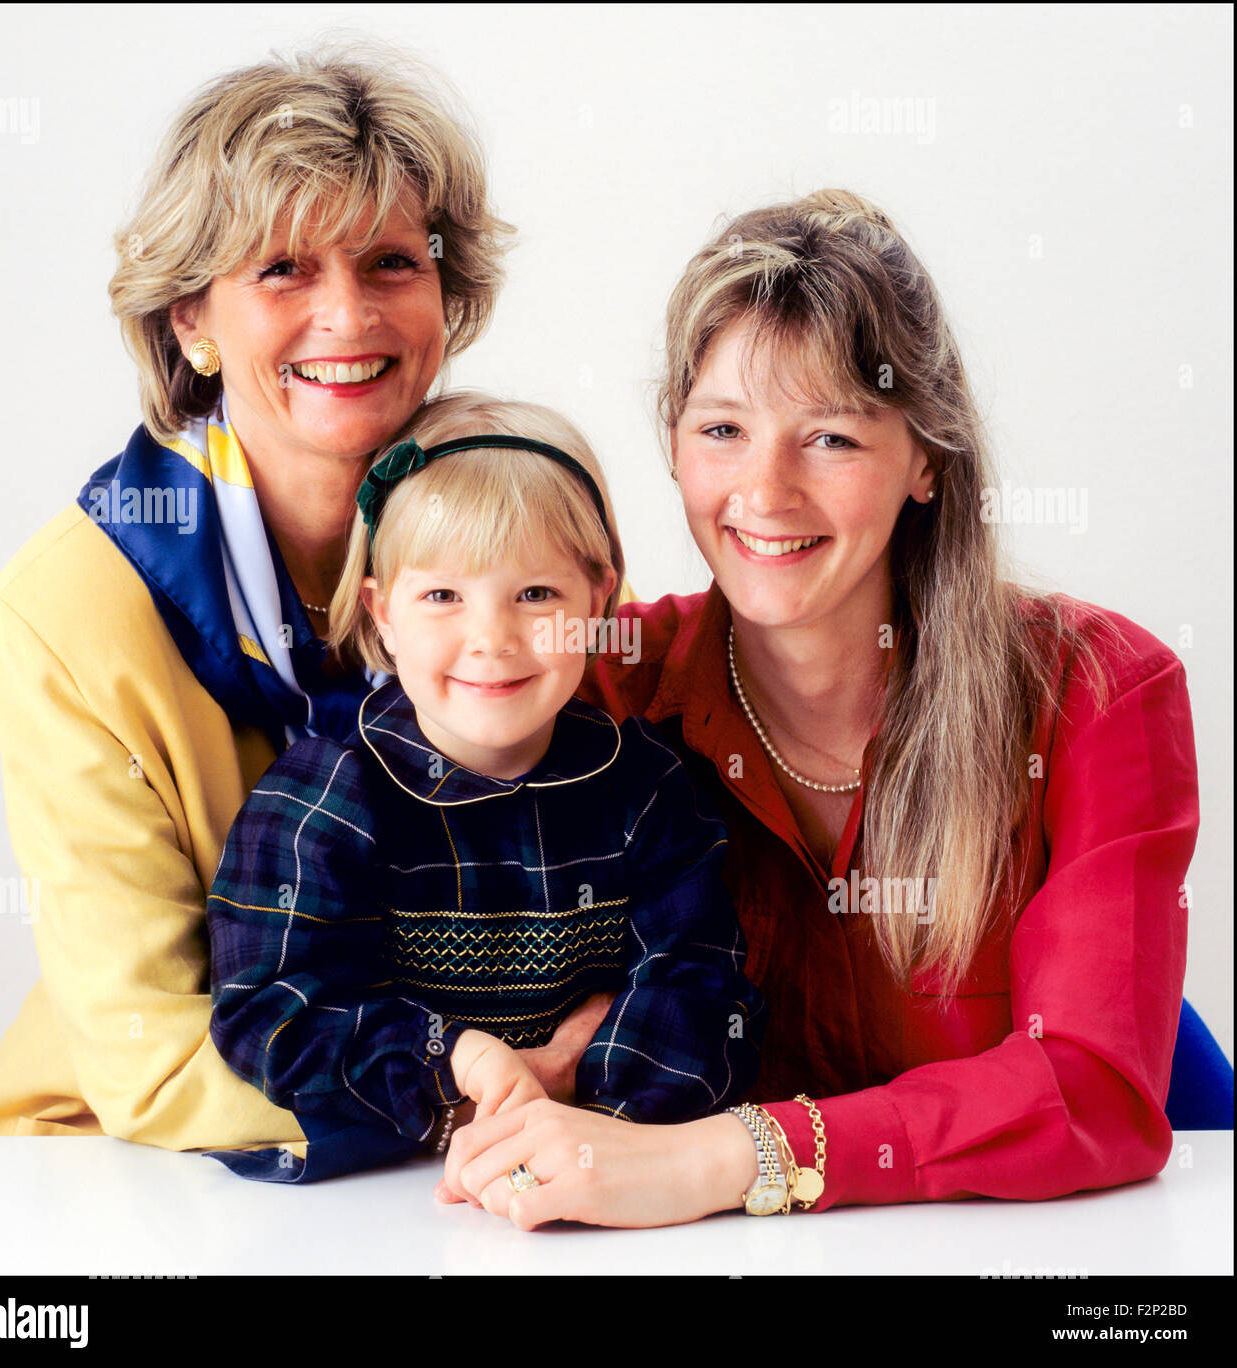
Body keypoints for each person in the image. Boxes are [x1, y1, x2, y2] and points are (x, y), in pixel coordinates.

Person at [437, 189, 1201, 1228]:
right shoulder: (596, 684)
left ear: (926, 457)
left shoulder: (1100, 689)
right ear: (672, 444)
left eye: (831, 438)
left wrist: (733, 1155)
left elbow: (1093, 1091)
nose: (765, 491)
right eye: (722, 428)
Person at [0, 42, 599, 1148]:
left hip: (466, 1167)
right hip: (121, 1166)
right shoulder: (62, 614)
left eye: (392, 262)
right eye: (282, 270)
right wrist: (474, 1098)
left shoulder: (512, 543)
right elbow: (151, 1067)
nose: (348, 318)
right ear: (189, 321)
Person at [200, 393, 765, 1182]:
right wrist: (456, 1061)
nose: (491, 639)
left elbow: (709, 1002)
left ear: (597, 603)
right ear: (382, 611)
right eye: (442, 596)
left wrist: (572, 1076)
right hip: (376, 1191)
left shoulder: (644, 788)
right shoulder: (324, 795)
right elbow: (271, 1010)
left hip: (589, 1164)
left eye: (536, 594)